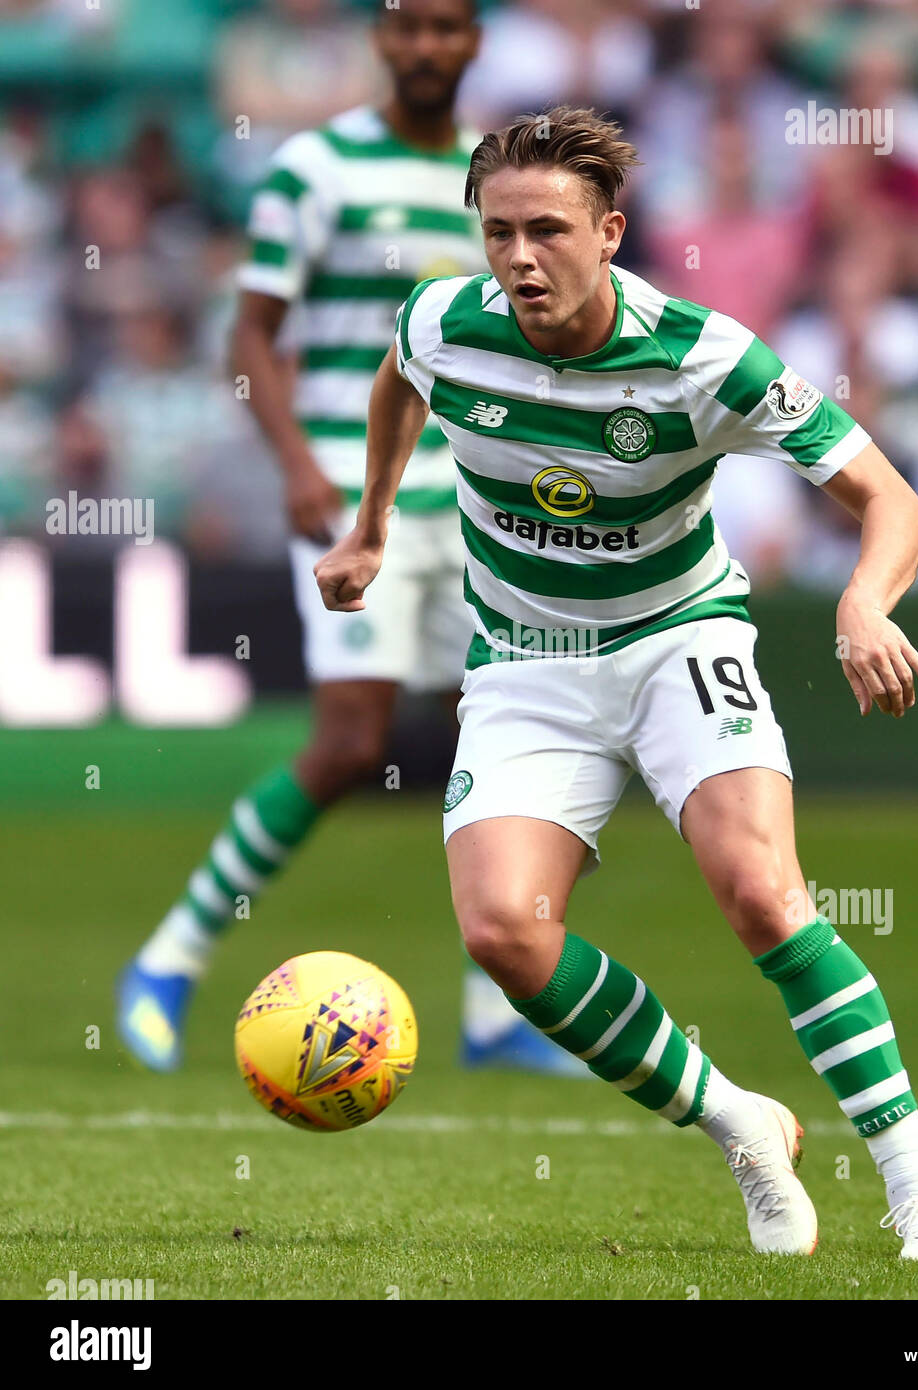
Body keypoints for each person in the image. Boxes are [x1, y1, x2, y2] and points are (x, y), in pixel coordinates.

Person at [315, 105, 918, 1259]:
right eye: (498, 232)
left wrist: (864, 599)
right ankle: (741, 1122)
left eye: (548, 231)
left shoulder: (704, 357)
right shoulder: (441, 321)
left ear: (611, 231)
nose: (519, 257)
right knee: (504, 935)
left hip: (679, 639)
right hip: (525, 663)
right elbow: (397, 385)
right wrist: (369, 527)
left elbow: (893, 499)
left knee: (765, 895)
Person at [117, 0, 581, 1077]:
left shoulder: (498, 179)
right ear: (383, 41)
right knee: (349, 743)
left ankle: (497, 1009)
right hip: (349, 488)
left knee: (540, 731)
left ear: (474, 43)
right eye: (408, 27)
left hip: (481, 493)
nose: (426, 46)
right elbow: (251, 327)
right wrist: (289, 464)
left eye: (447, 28)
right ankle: (169, 954)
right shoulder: (314, 167)